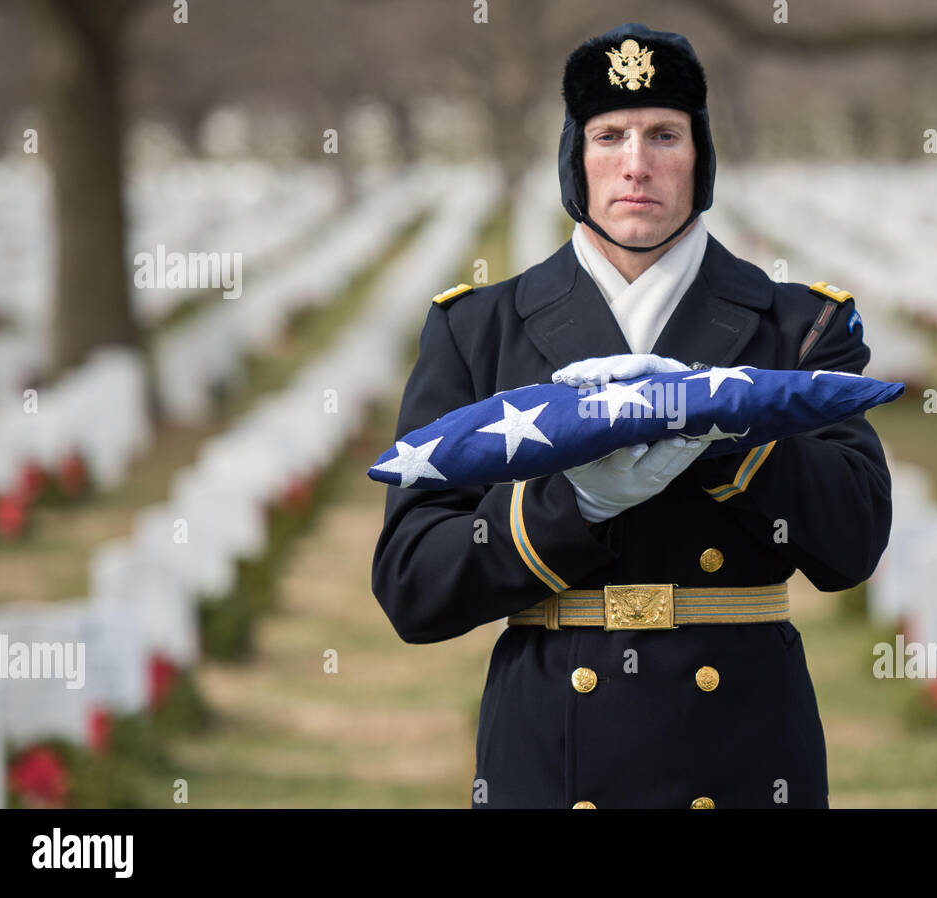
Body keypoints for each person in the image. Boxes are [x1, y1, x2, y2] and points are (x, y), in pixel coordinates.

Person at [371, 22, 892, 809]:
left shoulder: (798, 326)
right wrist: (571, 506)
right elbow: (413, 583)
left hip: (743, 757)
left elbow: (851, 542)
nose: (636, 163)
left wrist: (720, 427)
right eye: (609, 134)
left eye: (664, 135)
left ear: (701, 157)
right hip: (551, 752)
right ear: (574, 160)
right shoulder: (479, 328)